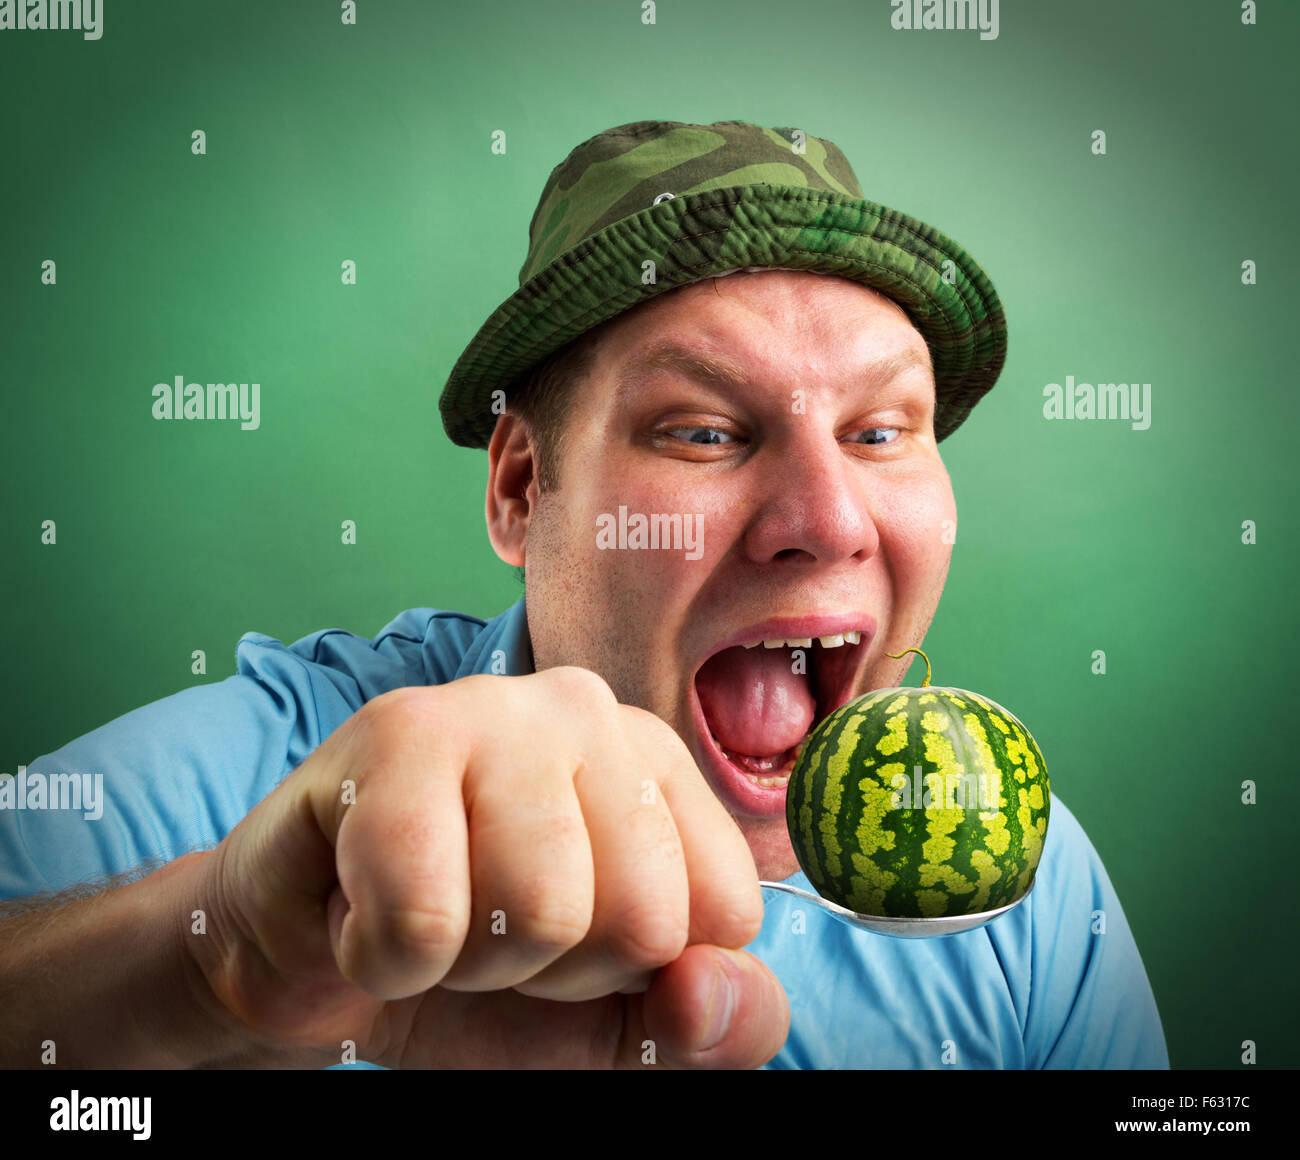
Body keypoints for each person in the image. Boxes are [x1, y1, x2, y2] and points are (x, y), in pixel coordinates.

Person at [0, 120, 1168, 1069]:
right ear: (521, 489)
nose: (827, 518)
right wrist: (215, 972)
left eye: (878, 430)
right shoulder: (254, 802)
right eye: (705, 429)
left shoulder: (1013, 874)